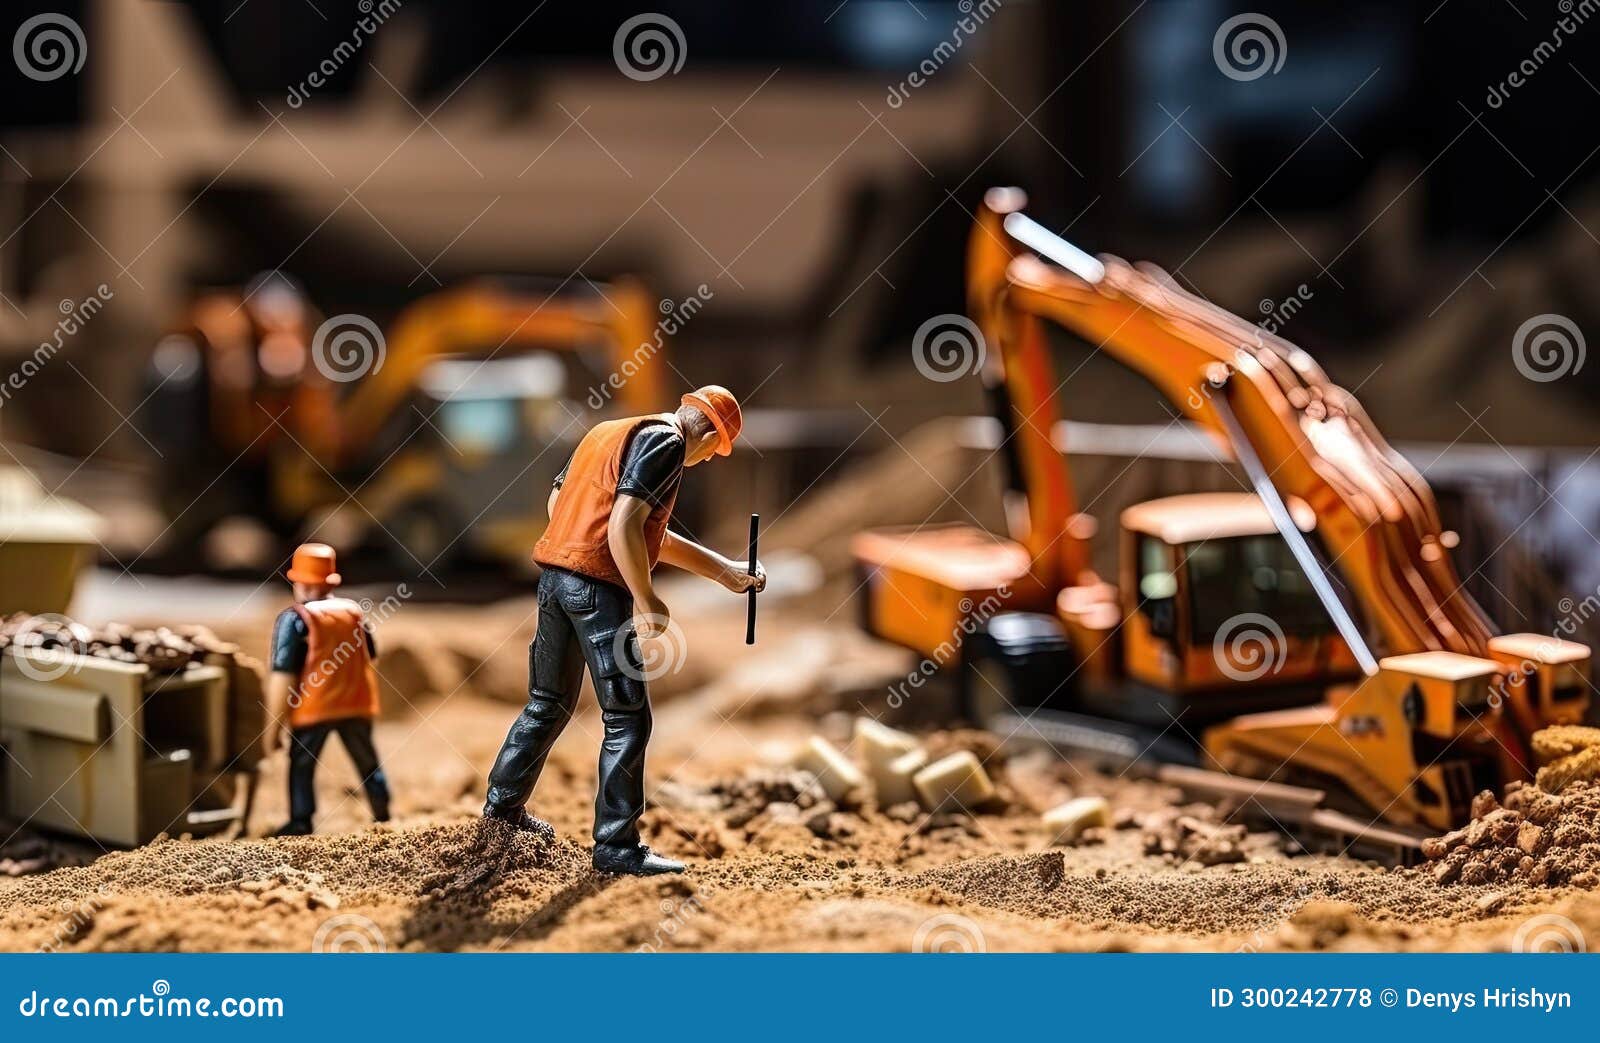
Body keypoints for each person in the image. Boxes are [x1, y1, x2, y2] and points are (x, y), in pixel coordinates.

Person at [484, 385, 765, 875]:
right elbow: (624, 526)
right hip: (597, 590)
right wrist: (646, 596)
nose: (701, 461)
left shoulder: (609, 432)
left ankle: (501, 815)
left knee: (546, 703)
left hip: (555, 578)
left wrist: (725, 571)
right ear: (708, 436)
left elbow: (570, 506)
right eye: (711, 453)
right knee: (627, 717)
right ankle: (616, 847)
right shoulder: (668, 444)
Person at [264, 543, 391, 836]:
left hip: (314, 708)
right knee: (367, 761)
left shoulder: (294, 619)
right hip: (356, 704)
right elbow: (370, 657)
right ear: (330, 580)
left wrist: (272, 729)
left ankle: (301, 819)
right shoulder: (354, 613)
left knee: (302, 764)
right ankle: (382, 811)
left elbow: (282, 676)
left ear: (299, 582)